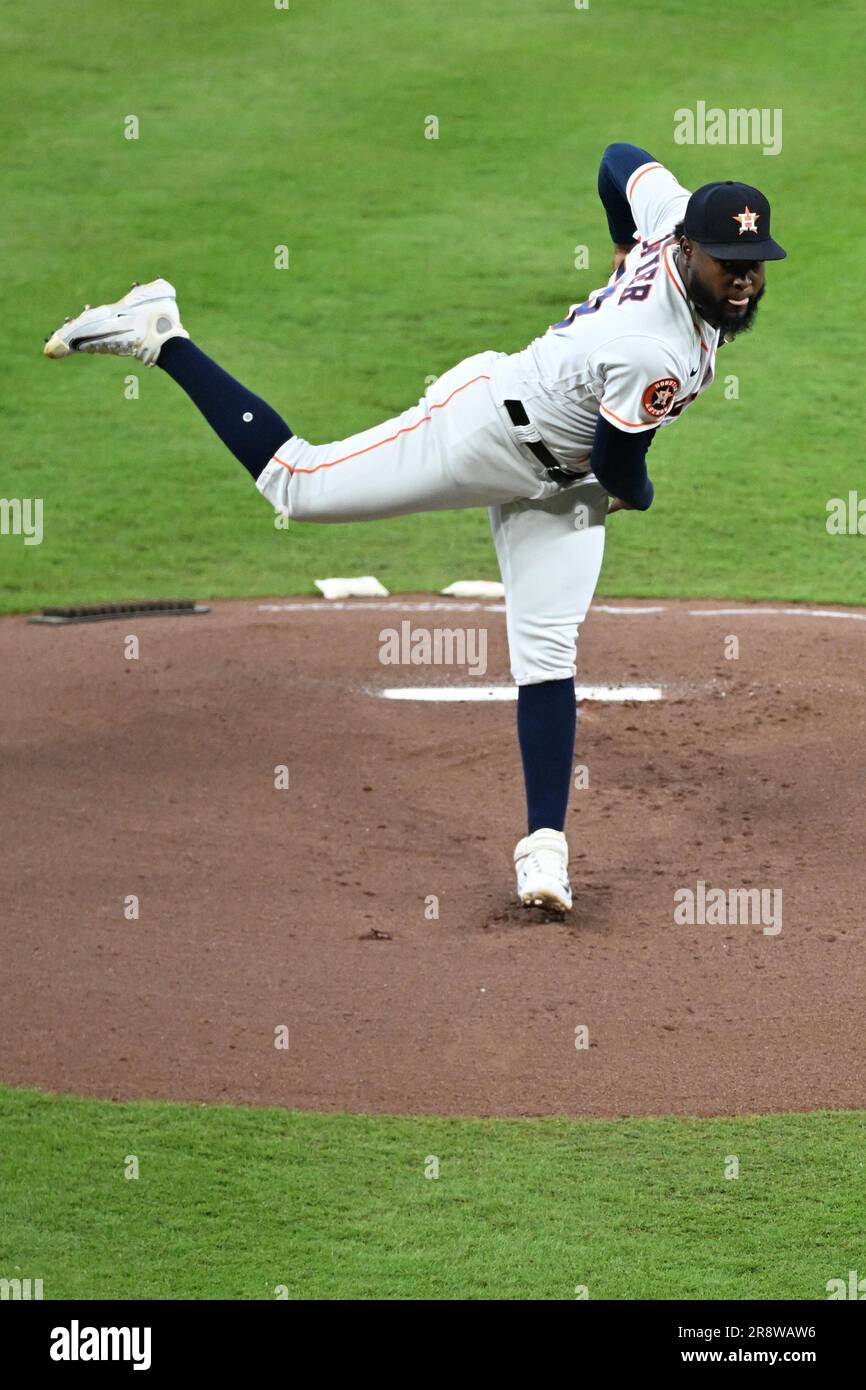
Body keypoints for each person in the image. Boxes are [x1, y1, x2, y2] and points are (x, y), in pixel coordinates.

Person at [43, 142, 786, 913]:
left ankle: (544, 852)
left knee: (549, 649)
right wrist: (643, 496)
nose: (742, 279)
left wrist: (622, 247)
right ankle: (162, 334)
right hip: (488, 431)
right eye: (727, 263)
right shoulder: (651, 351)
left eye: (755, 263)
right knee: (296, 484)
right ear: (688, 248)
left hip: (562, 476)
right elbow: (623, 471)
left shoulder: (673, 214)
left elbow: (619, 160)